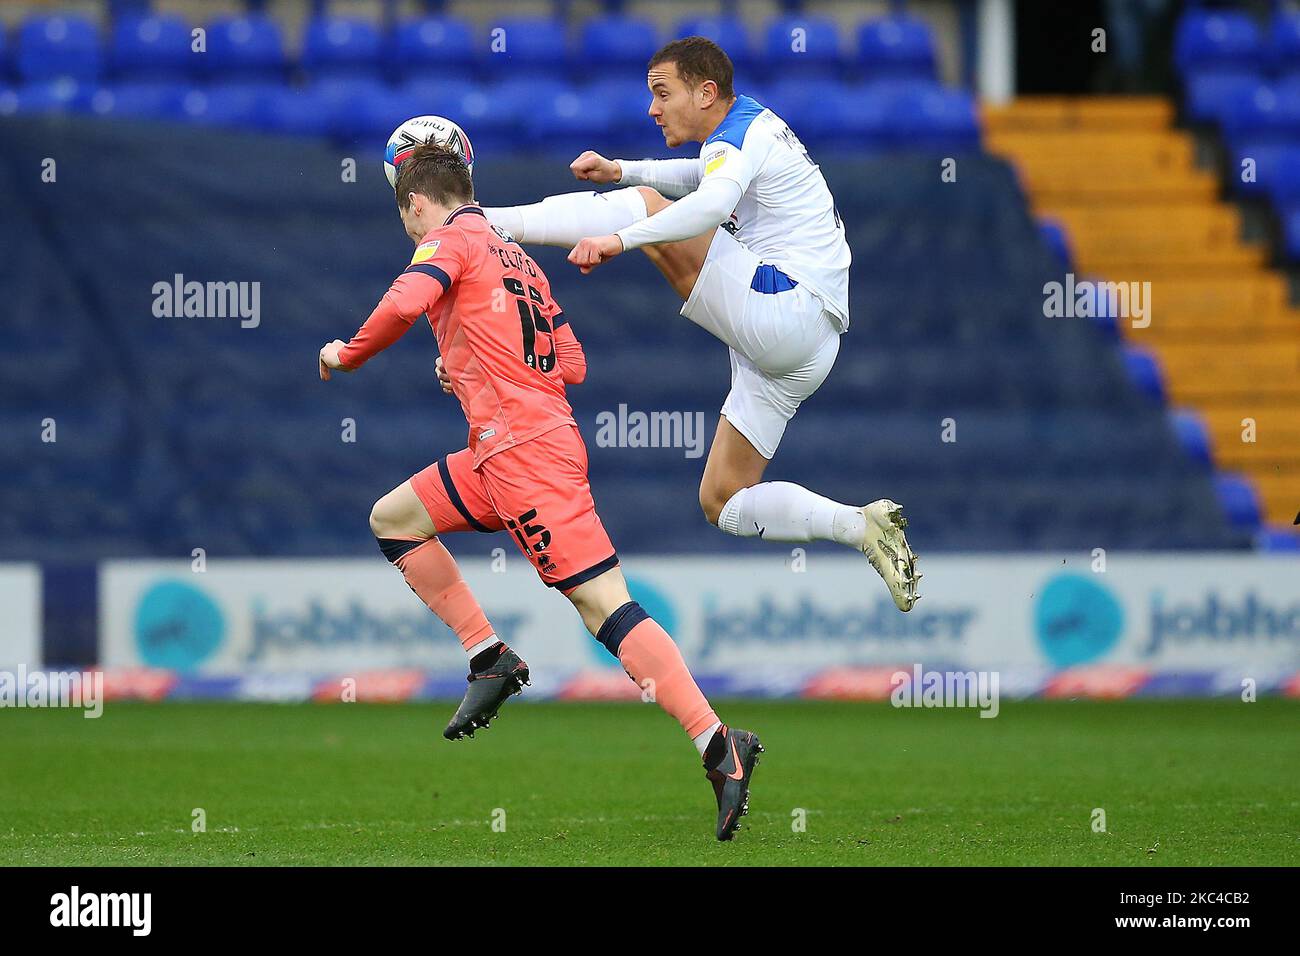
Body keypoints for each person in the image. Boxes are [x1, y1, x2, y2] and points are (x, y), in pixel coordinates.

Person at [318, 144, 761, 841]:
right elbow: (574, 364)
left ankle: (717, 743)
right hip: (503, 450)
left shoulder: (448, 240)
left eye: (407, 215)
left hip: (526, 457)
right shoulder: (516, 258)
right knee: (394, 520)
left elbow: (405, 302)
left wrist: (348, 352)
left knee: (603, 607)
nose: (411, 229)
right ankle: (489, 655)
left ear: (416, 203)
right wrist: (471, 354)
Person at [483, 36, 921, 612]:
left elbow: (711, 205)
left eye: (662, 93)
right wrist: (621, 167)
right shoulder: (742, 135)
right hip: (807, 349)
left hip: (787, 308)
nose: (652, 108)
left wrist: (619, 237)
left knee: (641, 206)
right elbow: (703, 180)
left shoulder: (741, 133)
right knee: (723, 499)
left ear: (706, 92)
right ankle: (861, 526)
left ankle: (487, 222)